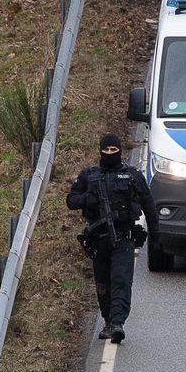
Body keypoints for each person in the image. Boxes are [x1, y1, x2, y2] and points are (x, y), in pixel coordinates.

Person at [67, 133, 158, 343]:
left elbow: (148, 204)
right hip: (99, 239)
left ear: (119, 151)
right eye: (106, 150)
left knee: (121, 280)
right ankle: (108, 320)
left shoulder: (132, 175)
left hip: (124, 238)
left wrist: (156, 234)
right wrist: (88, 199)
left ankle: (118, 322)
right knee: (103, 283)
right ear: (100, 151)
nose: (110, 154)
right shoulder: (89, 175)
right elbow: (71, 200)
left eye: (113, 150)